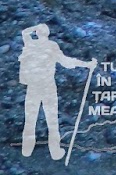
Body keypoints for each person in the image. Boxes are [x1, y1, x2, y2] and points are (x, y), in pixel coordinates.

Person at [18, 24, 93, 160]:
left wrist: (34, 27)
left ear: (37, 33)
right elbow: (66, 61)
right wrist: (86, 64)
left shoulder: (30, 44)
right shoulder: (52, 46)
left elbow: (24, 32)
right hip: (48, 86)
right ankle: (55, 151)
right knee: (52, 120)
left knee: (30, 118)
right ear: (47, 33)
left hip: (33, 86)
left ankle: (27, 150)